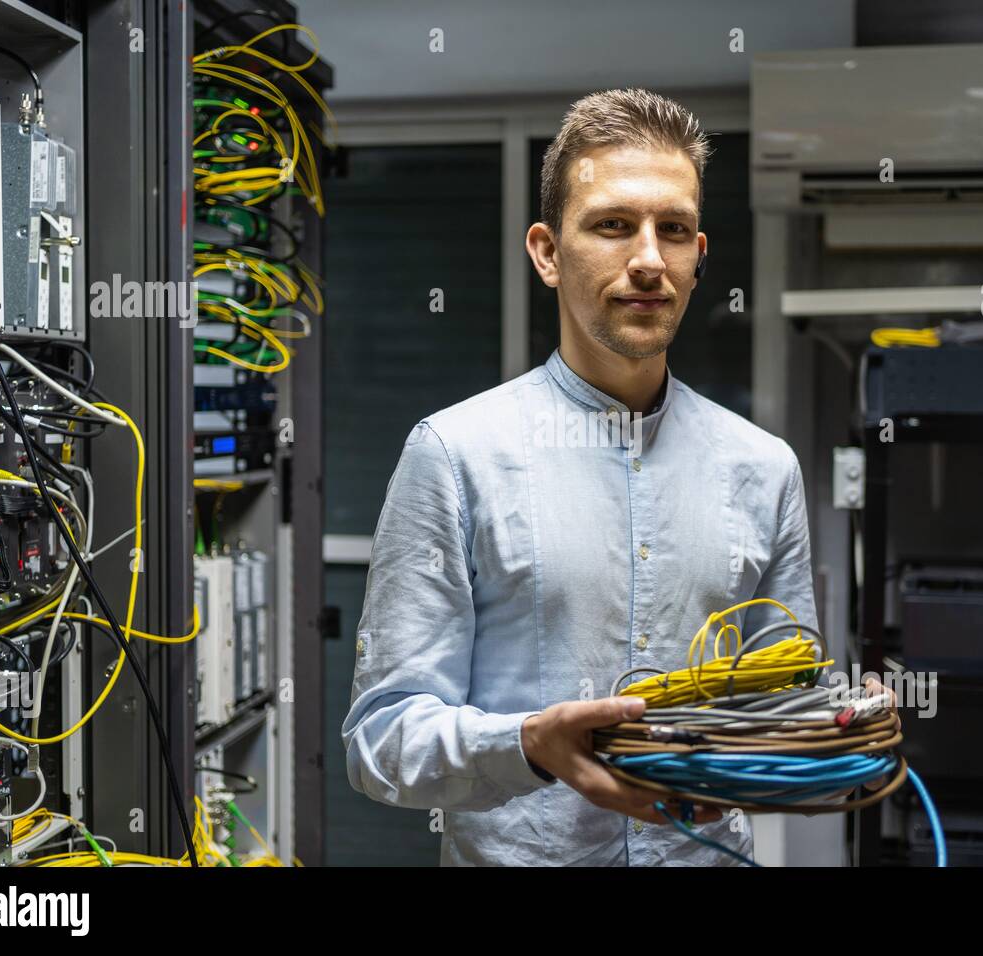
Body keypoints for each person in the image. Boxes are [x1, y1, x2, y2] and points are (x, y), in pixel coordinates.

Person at [344, 88, 829, 866]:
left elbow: (784, 702)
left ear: (698, 259)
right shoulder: (456, 455)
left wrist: (823, 732)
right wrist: (529, 744)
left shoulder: (763, 469)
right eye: (612, 225)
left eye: (673, 230)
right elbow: (380, 742)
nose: (647, 258)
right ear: (546, 252)